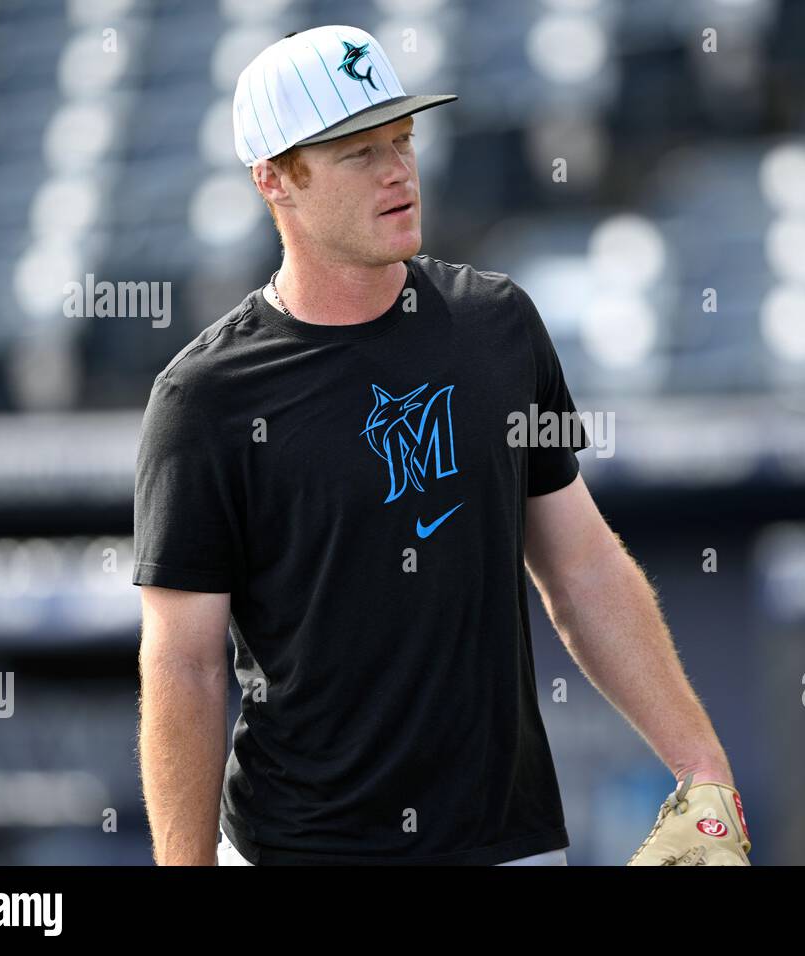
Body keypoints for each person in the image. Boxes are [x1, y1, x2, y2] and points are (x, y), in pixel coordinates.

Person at [134, 25, 747, 866]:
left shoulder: (498, 325)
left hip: (509, 845)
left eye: (404, 138)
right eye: (357, 152)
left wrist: (702, 767)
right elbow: (184, 665)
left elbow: (581, 567)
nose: (398, 170)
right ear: (274, 178)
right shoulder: (202, 398)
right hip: (298, 849)